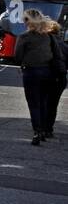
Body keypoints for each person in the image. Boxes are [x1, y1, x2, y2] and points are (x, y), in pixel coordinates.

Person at [13, 9, 63, 145]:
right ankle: (44, 129)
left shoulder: (24, 37)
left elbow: (17, 57)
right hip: (47, 72)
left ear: (28, 21)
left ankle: (37, 131)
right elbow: (57, 54)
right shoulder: (48, 36)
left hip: (30, 73)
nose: (24, 23)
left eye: (25, 20)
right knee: (43, 102)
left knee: (34, 104)